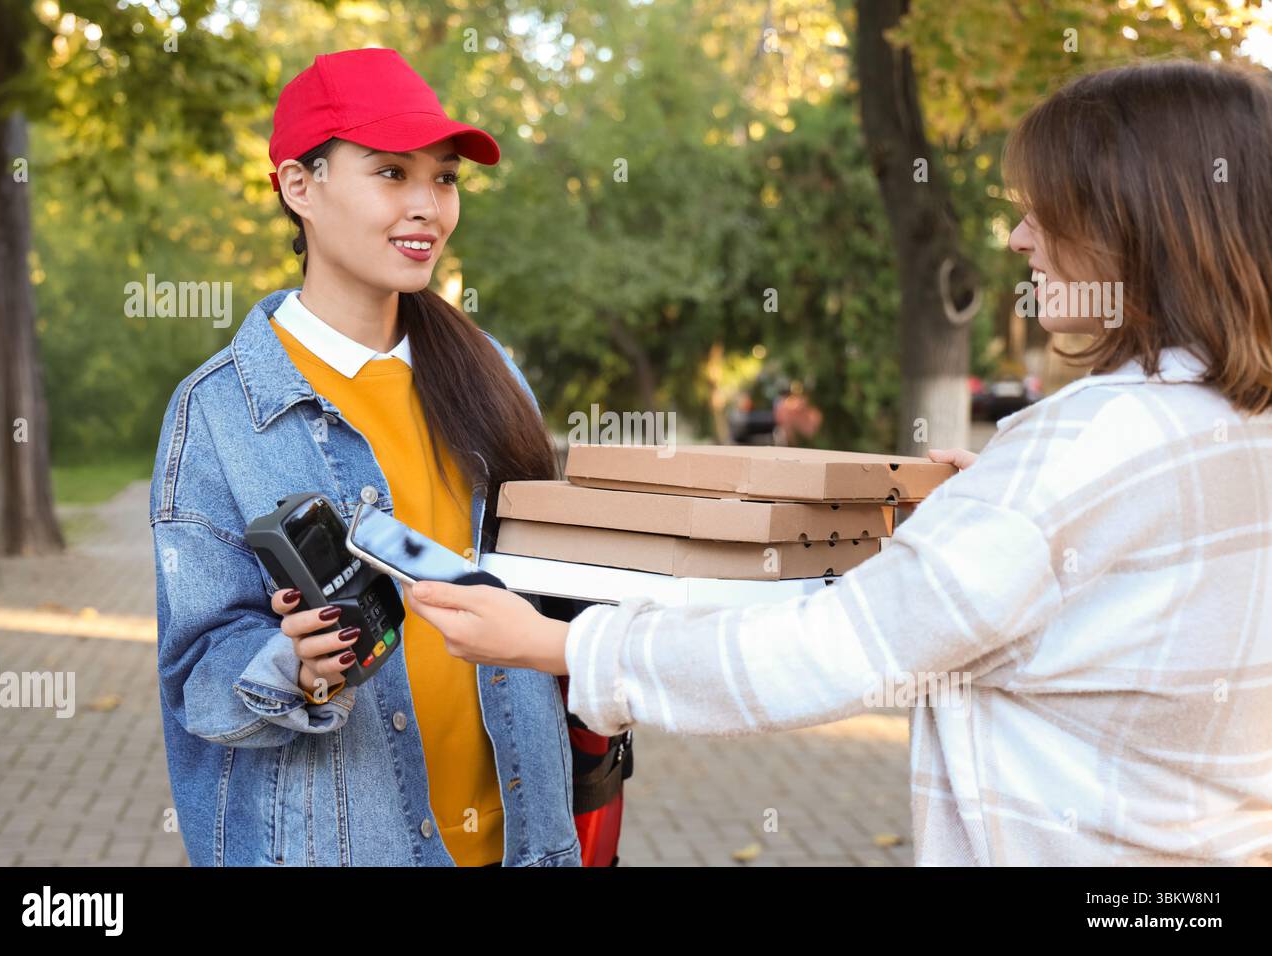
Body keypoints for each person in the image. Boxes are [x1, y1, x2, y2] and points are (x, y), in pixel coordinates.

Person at [405, 59, 1272, 866]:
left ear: (1136, 226)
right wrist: (996, 520)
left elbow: (830, 652)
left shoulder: (1082, 448)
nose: (1017, 238)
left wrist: (565, 645)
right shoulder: (1231, 425)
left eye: (1049, 212)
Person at [150, 48, 580, 867]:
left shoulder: (493, 375)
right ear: (298, 187)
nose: (428, 207)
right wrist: (298, 665)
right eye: (391, 173)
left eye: (444, 179)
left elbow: (542, 600)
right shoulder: (217, 412)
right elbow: (197, 676)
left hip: (525, 841)